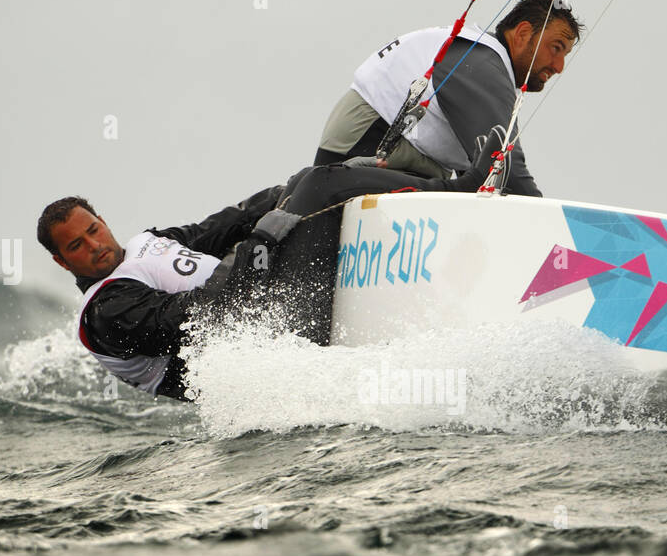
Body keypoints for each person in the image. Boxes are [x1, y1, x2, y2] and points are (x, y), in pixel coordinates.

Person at [36, 135, 504, 401]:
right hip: (259, 341)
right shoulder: (106, 311)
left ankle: (428, 219)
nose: (94, 245)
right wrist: (261, 243)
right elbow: (204, 324)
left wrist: (289, 191)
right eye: (77, 246)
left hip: (263, 302)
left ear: (102, 220)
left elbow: (223, 224)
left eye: (94, 229)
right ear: (62, 261)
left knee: (311, 181)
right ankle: (463, 188)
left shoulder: (146, 246)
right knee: (319, 188)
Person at [315, 0, 583, 196]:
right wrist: (550, 231)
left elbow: (488, 173)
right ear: (523, 33)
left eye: (565, 55)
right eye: (556, 47)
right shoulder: (481, 66)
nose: (559, 66)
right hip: (369, 142)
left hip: (399, 152)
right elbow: (505, 170)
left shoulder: (483, 60)